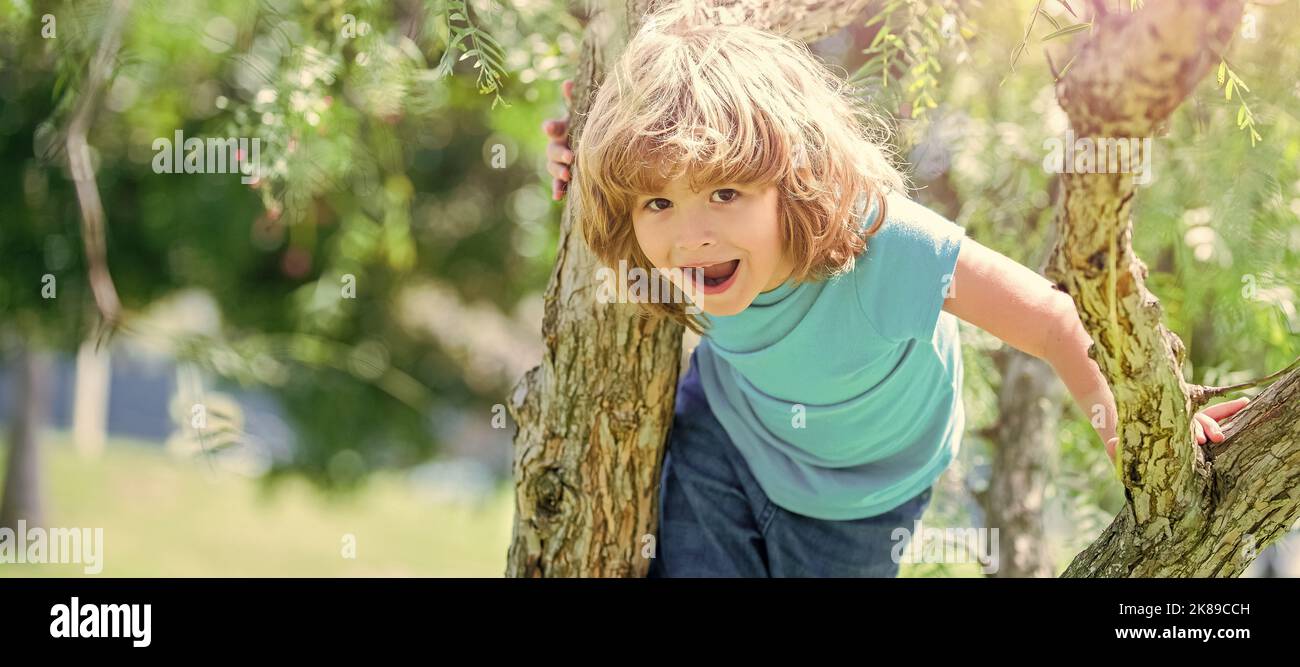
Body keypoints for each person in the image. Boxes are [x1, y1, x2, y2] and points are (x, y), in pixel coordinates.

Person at [539, 4, 1249, 577]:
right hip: (724, 445)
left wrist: (1136, 431)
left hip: (860, 500)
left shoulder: (884, 246)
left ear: (796, 174)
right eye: (658, 204)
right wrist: (580, 162)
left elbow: (1055, 324)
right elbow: (611, 196)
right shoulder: (667, 246)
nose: (690, 236)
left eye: (725, 191)